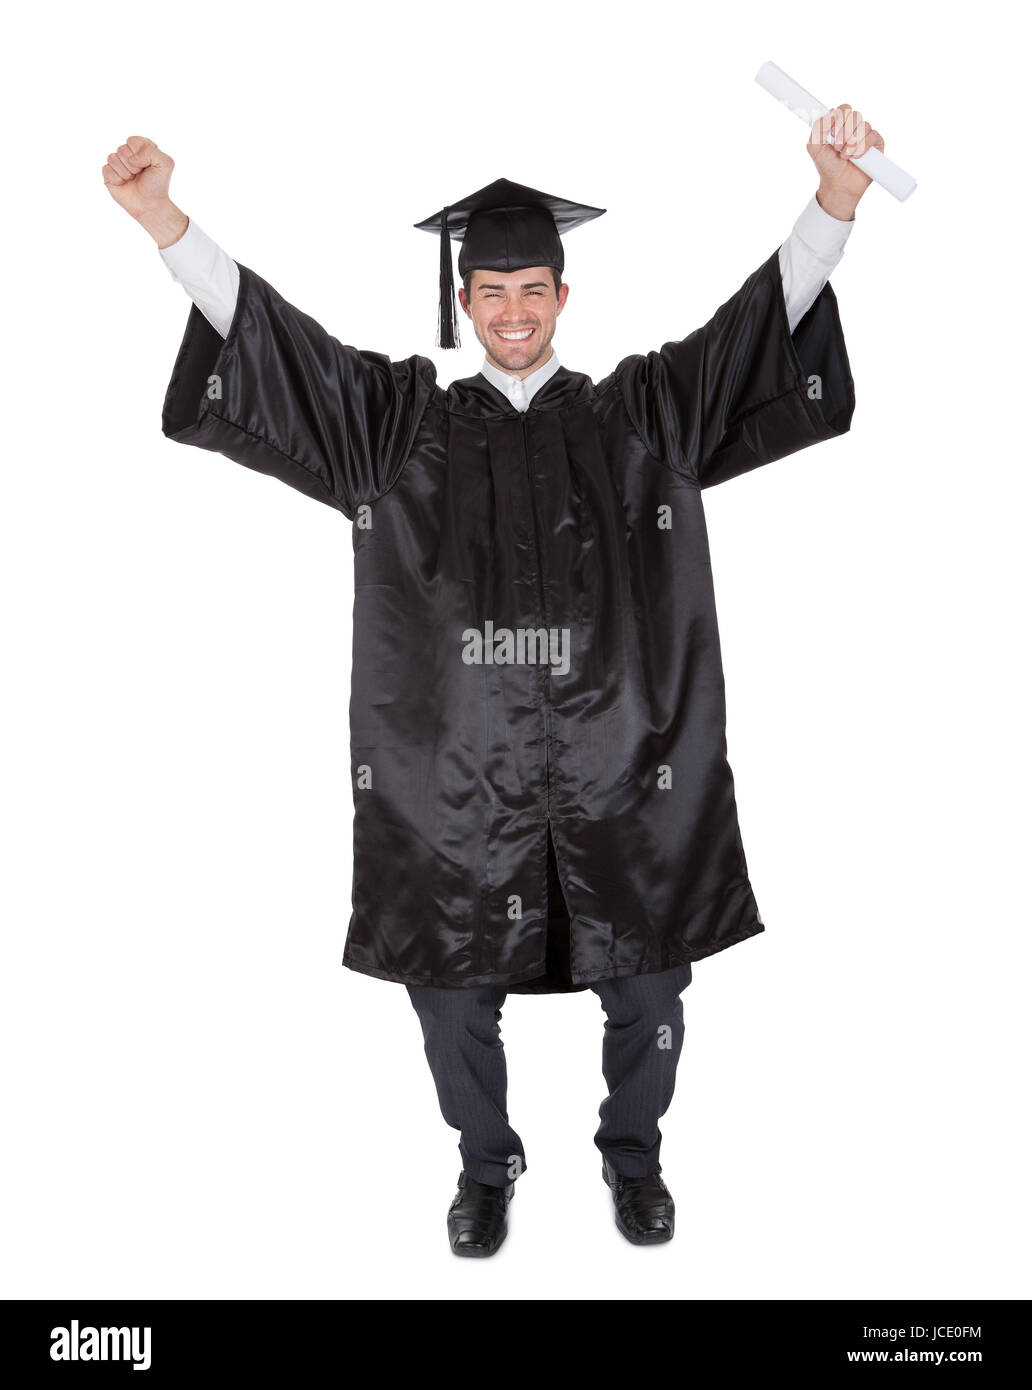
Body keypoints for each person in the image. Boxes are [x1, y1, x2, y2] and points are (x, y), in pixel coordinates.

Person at [103, 106, 883, 1256]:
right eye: (492, 293)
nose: (513, 312)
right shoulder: (397, 427)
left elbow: (753, 328)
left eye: (532, 290)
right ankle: (486, 1162)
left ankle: (634, 1154)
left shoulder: (642, 414)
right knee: (451, 994)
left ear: (563, 296)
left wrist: (835, 203)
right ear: (464, 303)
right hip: (459, 795)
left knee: (652, 992)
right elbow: (274, 339)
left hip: (624, 782)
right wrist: (165, 221)